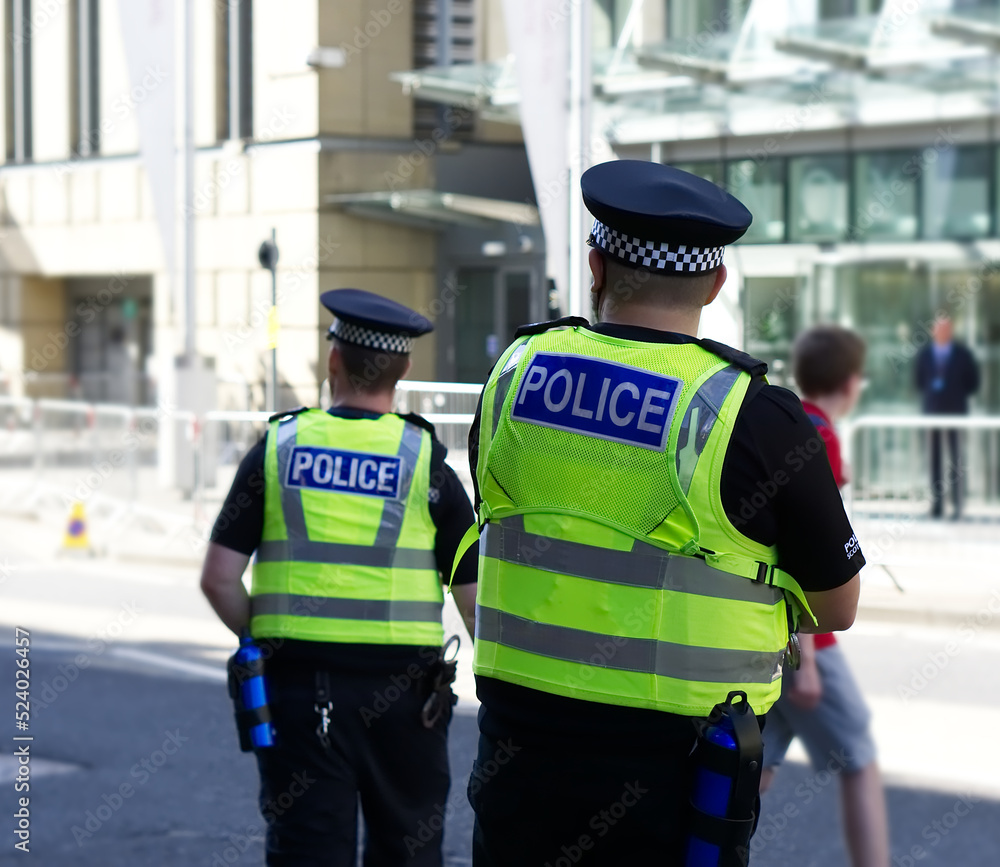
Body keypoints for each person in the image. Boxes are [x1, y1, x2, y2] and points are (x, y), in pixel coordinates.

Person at [463, 160, 863, 865]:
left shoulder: (515, 374)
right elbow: (837, 603)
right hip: (676, 785)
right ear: (716, 283)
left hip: (517, 764)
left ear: (595, 267)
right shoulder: (758, 416)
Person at [200, 288, 478, 867]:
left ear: (333, 363)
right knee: (407, 849)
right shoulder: (427, 462)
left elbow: (219, 579)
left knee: (307, 851)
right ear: (402, 371)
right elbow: (475, 601)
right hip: (407, 701)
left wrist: (263, 634)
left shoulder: (278, 448)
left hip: (299, 692)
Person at [760, 325, 889, 867]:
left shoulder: (789, 423)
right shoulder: (822, 438)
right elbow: (805, 553)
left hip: (765, 634)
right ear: (853, 382)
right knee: (859, 761)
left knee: (751, 769)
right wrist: (806, 660)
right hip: (805, 641)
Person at [914, 315, 979, 519]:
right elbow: (918, 381)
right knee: (935, 460)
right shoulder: (924, 355)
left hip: (956, 413)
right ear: (933, 331)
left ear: (951, 331)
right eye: (939, 328)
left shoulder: (963, 354)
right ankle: (937, 506)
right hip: (932, 413)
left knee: (957, 459)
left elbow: (973, 382)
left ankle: (958, 504)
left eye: (946, 328)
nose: (943, 332)